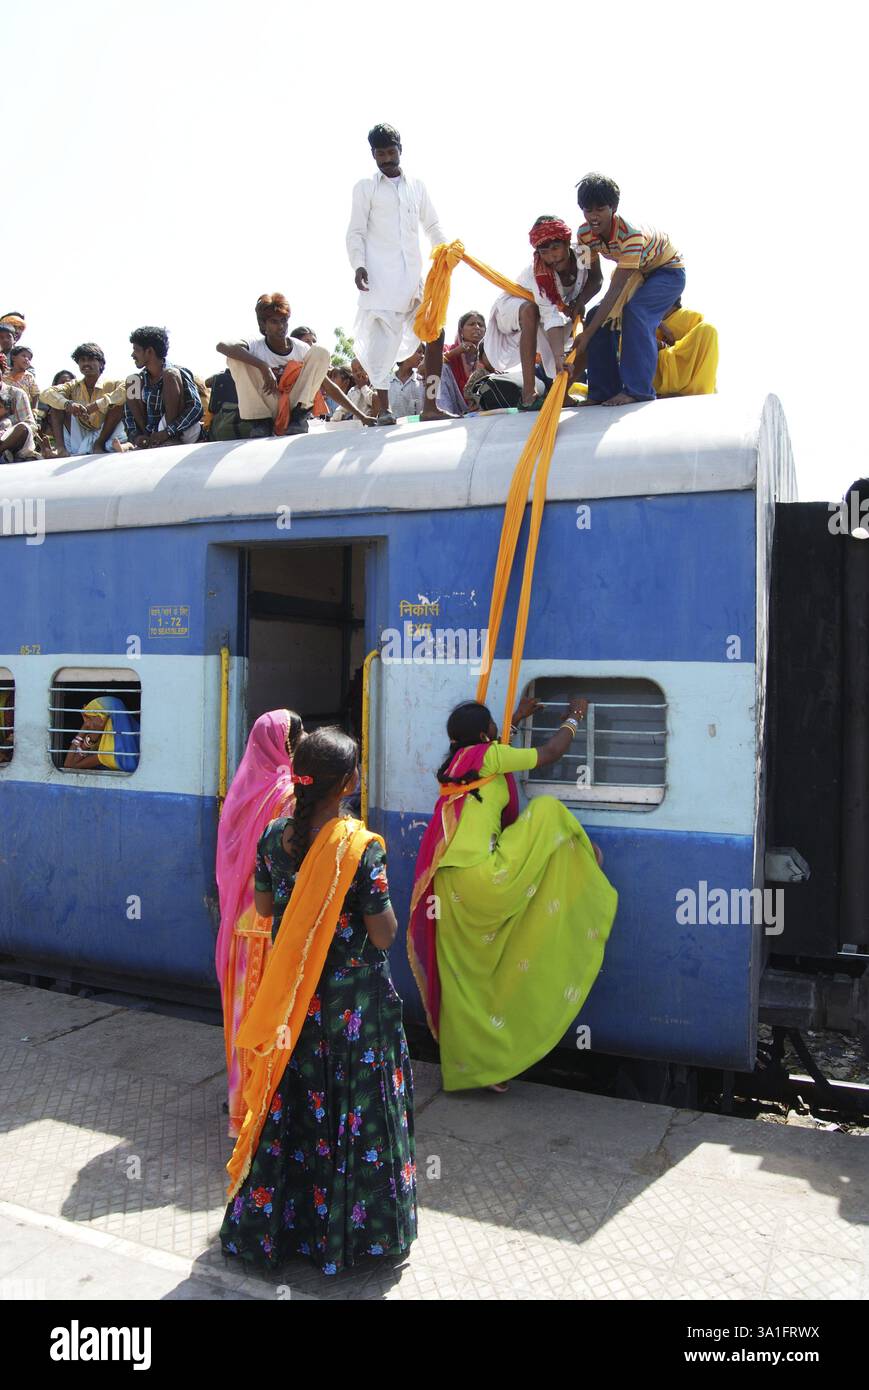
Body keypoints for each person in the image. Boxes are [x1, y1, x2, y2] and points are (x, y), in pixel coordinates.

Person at [219, 727, 417, 1275]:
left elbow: (262, 906)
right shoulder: (359, 847)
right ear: (349, 782)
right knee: (354, 1114)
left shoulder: (274, 836)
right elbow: (383, 935)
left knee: (293, 1109)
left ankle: (278, 1233)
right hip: (351, 1009)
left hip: (293, 1005)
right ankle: (354, 1241)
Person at [408, 698, 617, 1092]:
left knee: (466, 978)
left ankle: (477, 1069)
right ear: (487, 734)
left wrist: (516, 719)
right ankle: (587, 855)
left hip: (449, 884)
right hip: (485, 877)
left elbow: (492, 753)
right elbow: (551, 752)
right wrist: (574, 718)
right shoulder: (490, 757)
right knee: (548, 811)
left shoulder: (456, 764)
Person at [216, 709, 304, 1138]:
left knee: (242, 1015)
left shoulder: (242, 789)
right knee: (272, 1015)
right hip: (270, 922)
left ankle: (241, 1109)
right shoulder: (287, 794)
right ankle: (266, 1108)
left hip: (241, 922)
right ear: (287, 745)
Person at [346, 122, 450, 424]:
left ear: (400, 150)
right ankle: (384, 409)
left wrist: (444, 252)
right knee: (382, 349)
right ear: (373, 155)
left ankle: (431, 404)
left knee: (436, 331)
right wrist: (359, 266)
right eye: (381, 153)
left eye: (391, 151)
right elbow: (355, 232)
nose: (387, 158)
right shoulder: (365, 188)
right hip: (380, 281)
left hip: (413, 280)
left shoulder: (416, 186)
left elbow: (432, 225)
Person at [572, 172, 687, 406]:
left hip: (668, 272)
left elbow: (615, 289)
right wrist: (579, 301)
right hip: (638, 272)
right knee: (596, 316)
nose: (593, 216)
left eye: (600, 209)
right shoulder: (584, 235)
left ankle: (638, 390)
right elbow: (594, 279)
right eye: (587, 210)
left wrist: (587, 335)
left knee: (636, 313)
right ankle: (603, 390)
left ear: (613, 208)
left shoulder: (631, 235)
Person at [217, 294, 374, 436]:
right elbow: (222, 346)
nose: (281, 326)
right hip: (267, 406)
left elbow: (328, 386)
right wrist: (262, 367)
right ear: (263, 325)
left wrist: (362, 416)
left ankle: (298, 418)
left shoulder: (301, 348)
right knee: (235, 358)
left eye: (284, 320)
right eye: (274, 321)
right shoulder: (255, 346)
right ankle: (260, 422)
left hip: (293, 407)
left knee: (321, 352)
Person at [485, 216, 600, 407]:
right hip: (514, 310)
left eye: (555, 249)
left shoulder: (583, 253)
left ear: (566, 243)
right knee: (531, 310)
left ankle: (560, 392)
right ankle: (529, 395)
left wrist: (581, 302)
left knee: (590, 331)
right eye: (544, 252)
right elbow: (551, 316)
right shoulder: (538, 274)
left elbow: (596, 279)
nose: (551, 257)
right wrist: (558, 358)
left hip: (552, 314)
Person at [122, 326, 203, 449]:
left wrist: (168, 432)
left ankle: (171, 439)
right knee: (131, 380)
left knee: (170, 374)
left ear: (149, 351)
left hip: (182, 432)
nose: (133, 355)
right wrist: (137, 437)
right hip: (155, 437)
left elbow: (196, 408)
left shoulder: (177, 372)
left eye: (136, 350)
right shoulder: (138, 381)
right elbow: (129, 417)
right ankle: (148, 439)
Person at [40, 343, 127, 456]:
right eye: (82, 360)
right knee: (57, 404)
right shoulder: (73, 385)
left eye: (91, 360)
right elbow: (46, 393)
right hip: (81, 431)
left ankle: (99, 444)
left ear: (101, 363)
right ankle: (61, 449)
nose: (86, 363)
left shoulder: (113, 383)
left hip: (106, 432)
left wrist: (97, 405)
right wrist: (68, 404)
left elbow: (128, 389)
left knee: (117, 405)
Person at [653, 299, 718, 396]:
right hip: (655, 375)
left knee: (708, 330)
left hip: (688, 382)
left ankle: (693, 391)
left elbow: (698, 355)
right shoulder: (643, 320)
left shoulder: (690, 318)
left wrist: (668, 346)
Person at [62, 696, 140, 772]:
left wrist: (86, 729)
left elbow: (69, 765)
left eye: (90, 717)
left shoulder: (112, 750)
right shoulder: (131, 732)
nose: (87, 722)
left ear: (104, 718)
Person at [0, 379, 39, 462]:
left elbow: (31, 427)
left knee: (22, 427)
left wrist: (9, 434)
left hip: (12, 448)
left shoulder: (17, 394)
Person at [387, 345, 424, 418]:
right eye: (419, 352)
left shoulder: (422, 381)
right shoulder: (387, 383)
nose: (422, 356)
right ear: (406, 353)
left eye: (423, 353)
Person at [2, 345, 39, 411]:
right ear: (13, 358)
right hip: (5, 409)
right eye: (24, 356)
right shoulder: (4, 374)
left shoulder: (29, 377)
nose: (27, 359)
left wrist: (34, 410)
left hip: (23, 410)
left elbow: (36, 394)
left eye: (29, 358)